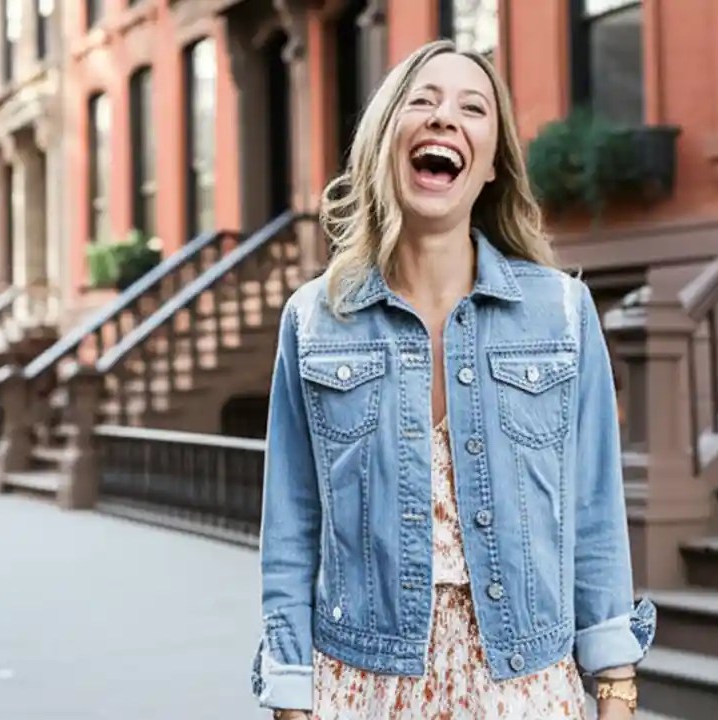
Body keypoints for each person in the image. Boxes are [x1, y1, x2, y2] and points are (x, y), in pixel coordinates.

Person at [251, 39, 655, 720]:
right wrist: (291, 698)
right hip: (360, 687)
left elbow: (593, 515)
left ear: (491, 163)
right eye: (423, 100)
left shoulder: (559, 313)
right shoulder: (315, 321)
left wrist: (615, 687)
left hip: (525, 689)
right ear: (386, 137)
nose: (445, 119)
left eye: (473, 108)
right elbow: (290, 529)